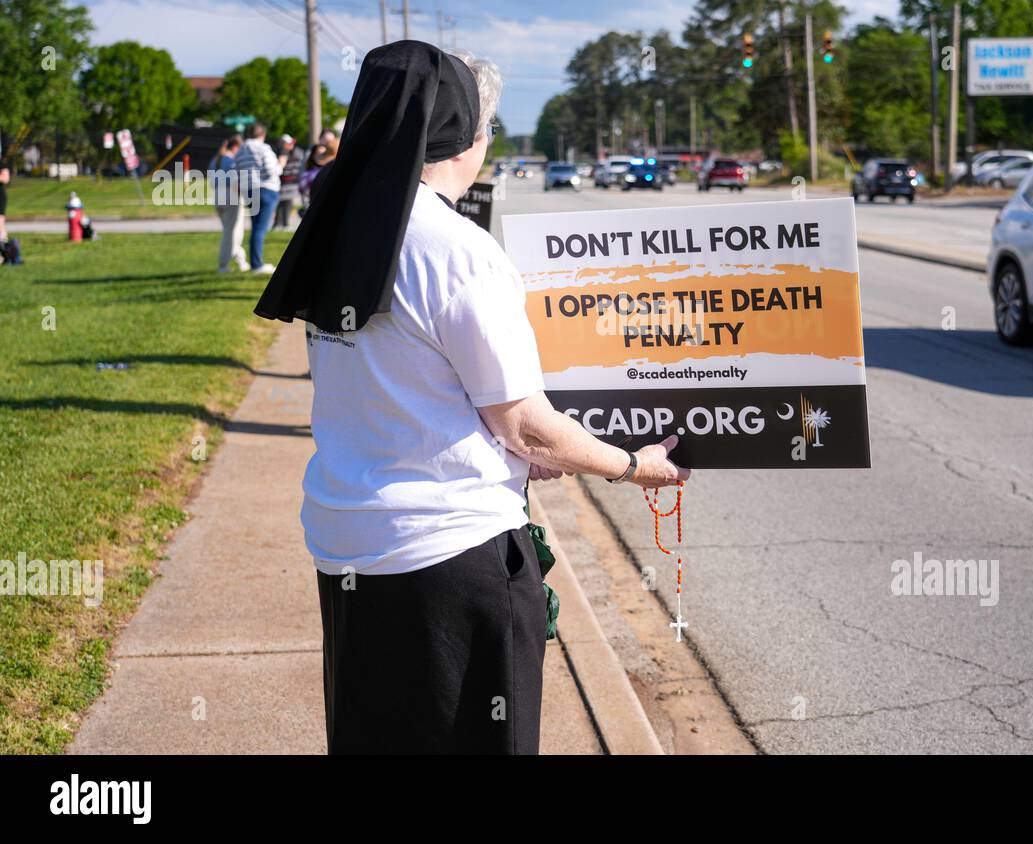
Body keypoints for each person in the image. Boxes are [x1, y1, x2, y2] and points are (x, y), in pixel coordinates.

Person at [254, 41, 689, 755]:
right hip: (450, 562)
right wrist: (632, 465)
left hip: (348, 551)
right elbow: (527, 426)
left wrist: (510, 449)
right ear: (467, 137)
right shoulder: (456, 249)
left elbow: (396, 385)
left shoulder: (336, 232)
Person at [233, 122, 282, 274]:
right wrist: (280, 166)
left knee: (256, 228)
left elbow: (237, 171)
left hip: (249, 190)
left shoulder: (240, 151)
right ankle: (257, 264)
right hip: (266, 189)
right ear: (263, 135)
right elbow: (271, 169)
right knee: (260, 229)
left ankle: (256, 262)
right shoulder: (263, 148)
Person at [211, 134, 249, 273]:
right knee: (232, 233)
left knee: (231, 231)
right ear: (235, 147)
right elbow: (236, 181)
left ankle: (242, 260)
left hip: (217, 195)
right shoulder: (231, 161)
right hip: (231, 196)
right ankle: (223, 265)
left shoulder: (216, 160)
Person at [274, 135, 302, 230]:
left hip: (291, 183)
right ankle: (278, 224)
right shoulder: (280, 153)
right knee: (281, 204)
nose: (292, 145)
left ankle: (284, 224)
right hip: (282, 183)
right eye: (289, 144)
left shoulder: (294, 152)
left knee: (287, 203)